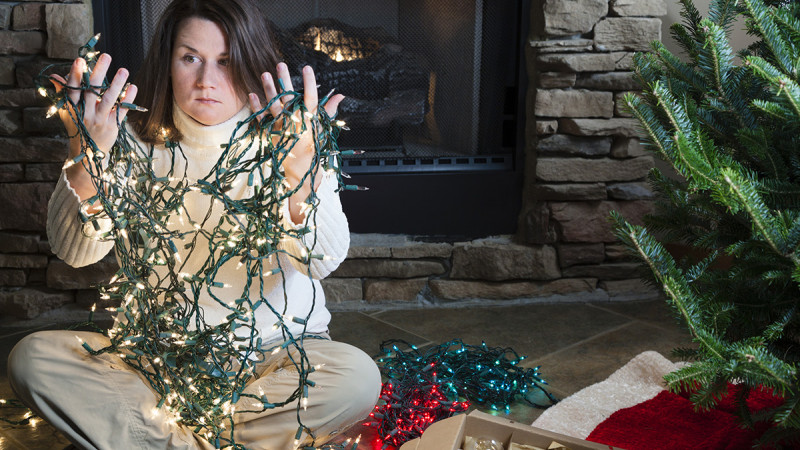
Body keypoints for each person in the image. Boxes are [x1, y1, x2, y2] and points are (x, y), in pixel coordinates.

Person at [6, 0, 381, 448]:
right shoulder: (126, 136)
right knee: (32, 360)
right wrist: (86, 155)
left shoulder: (295, 136)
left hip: (278, 357)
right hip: (156, 362)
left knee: (357, 378)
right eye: (190, 59)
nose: (206, 81)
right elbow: (75, 250)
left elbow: (322, 261)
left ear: (251, 63)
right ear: (167, 63)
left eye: (225, 61)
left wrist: (301, 174)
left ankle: (163, 441)